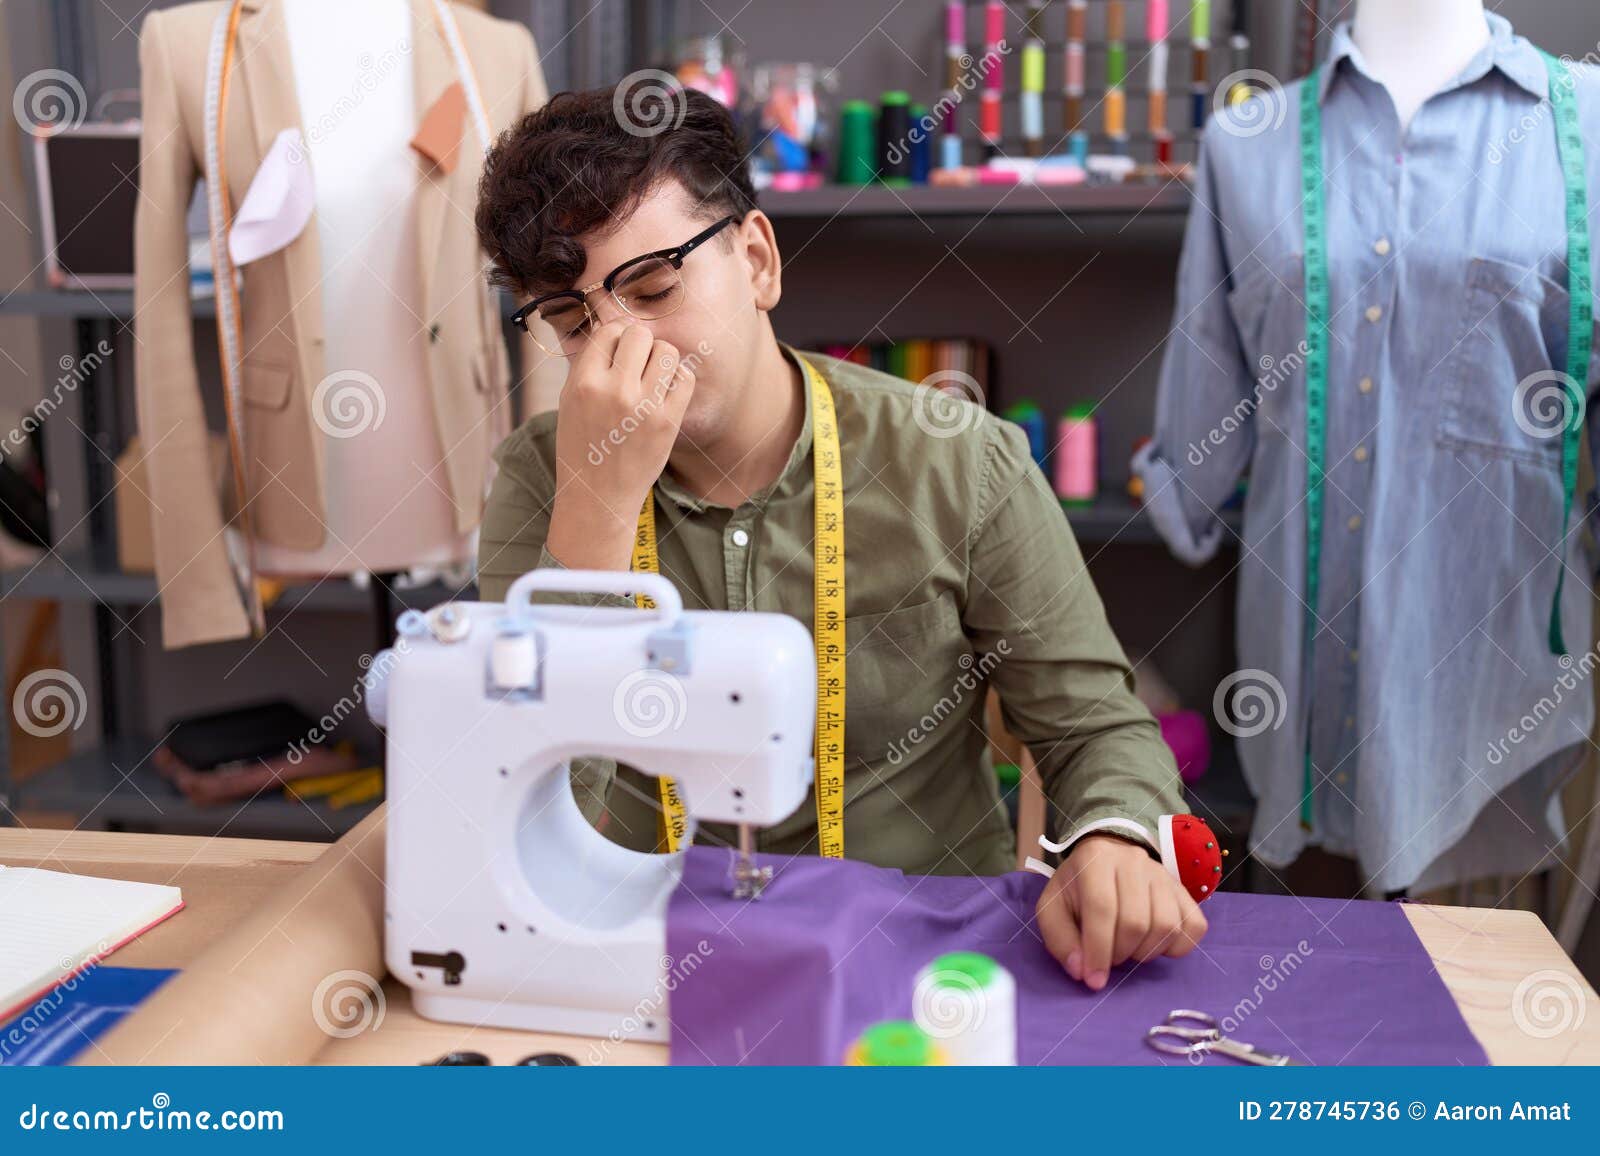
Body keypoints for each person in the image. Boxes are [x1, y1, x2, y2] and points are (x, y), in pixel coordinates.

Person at [473, 83, 1206, 990]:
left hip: (923, 964)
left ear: (757, 261)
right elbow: (511, 794)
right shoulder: (540, 480)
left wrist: (1114, 837)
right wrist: (597, 509)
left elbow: (1092, 724)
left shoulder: (958, 460)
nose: (623, 349)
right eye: (572, 321)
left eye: (654, 288)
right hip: (639, 969)